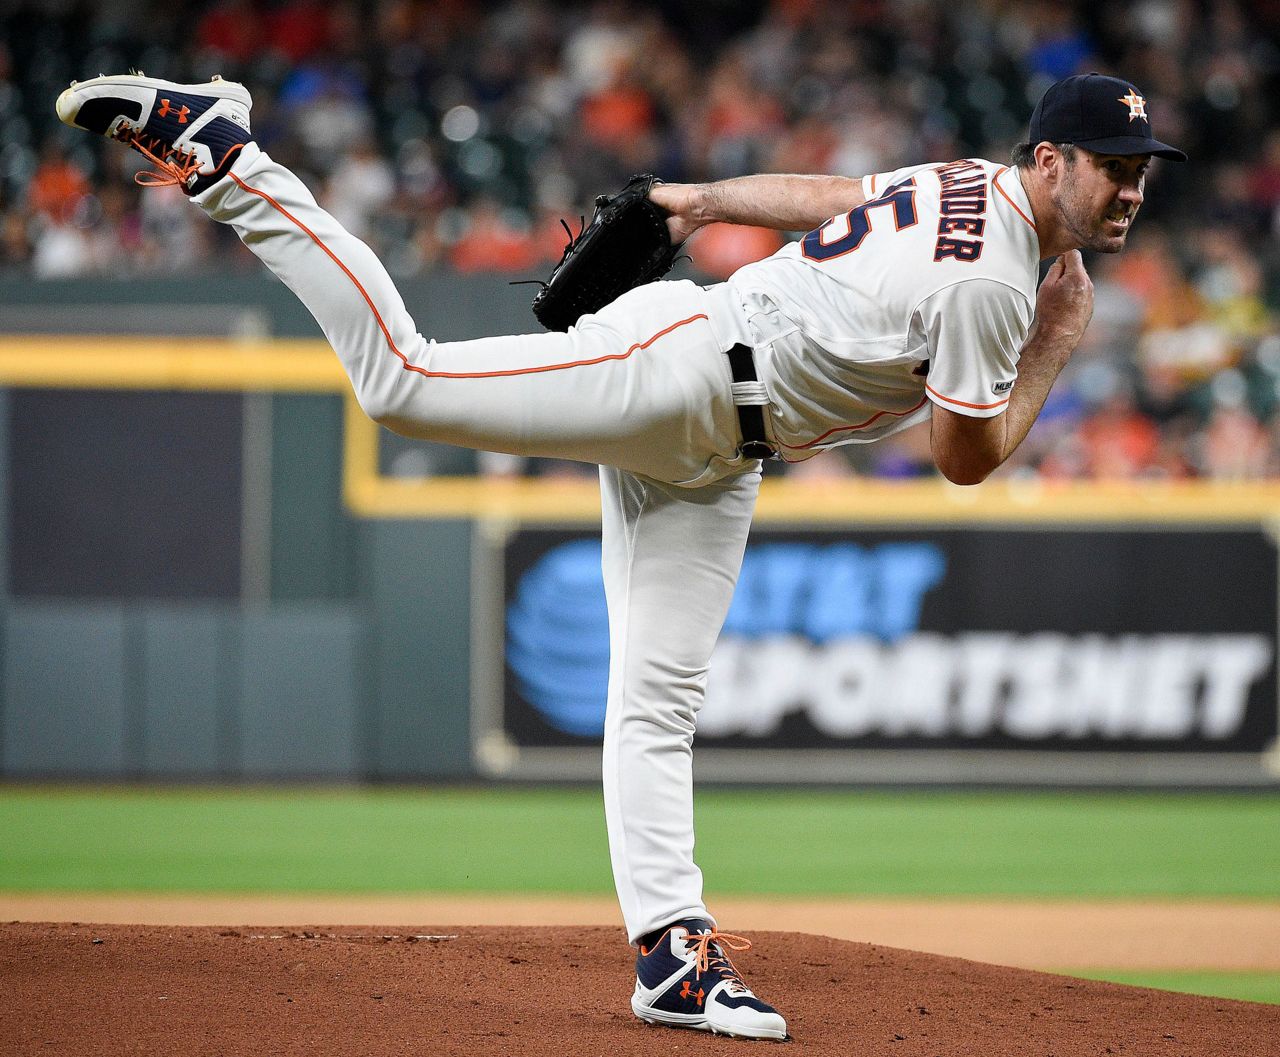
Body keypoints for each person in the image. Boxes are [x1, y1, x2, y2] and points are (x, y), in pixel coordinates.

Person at [56, 70, 1184, 1041]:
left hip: (722, 445)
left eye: (1139, 167)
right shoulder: (997, 280)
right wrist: (1053, 346)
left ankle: (670, 957)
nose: (1129, 186)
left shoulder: (964, 184)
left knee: (655, 698)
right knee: (400, 378)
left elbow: (831, 197)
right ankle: (225, 153)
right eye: (1107, 164)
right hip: (685, 371)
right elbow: (963, 457)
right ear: (1045, 160)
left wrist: (696, 198)